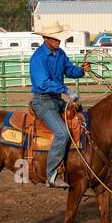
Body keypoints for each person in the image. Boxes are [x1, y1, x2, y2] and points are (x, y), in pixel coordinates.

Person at [29, 22, 91, 189]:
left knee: (81, 118)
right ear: (46, 38)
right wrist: (66, 89)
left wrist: (81, 70)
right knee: (62, 133)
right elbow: (42, 83)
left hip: (56, 100)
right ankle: (51, 175)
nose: (59, 41)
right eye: (55, 38)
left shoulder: (59, 54)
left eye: (59, 38)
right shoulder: (38, 58)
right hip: (42, 101)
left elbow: (69, 70)